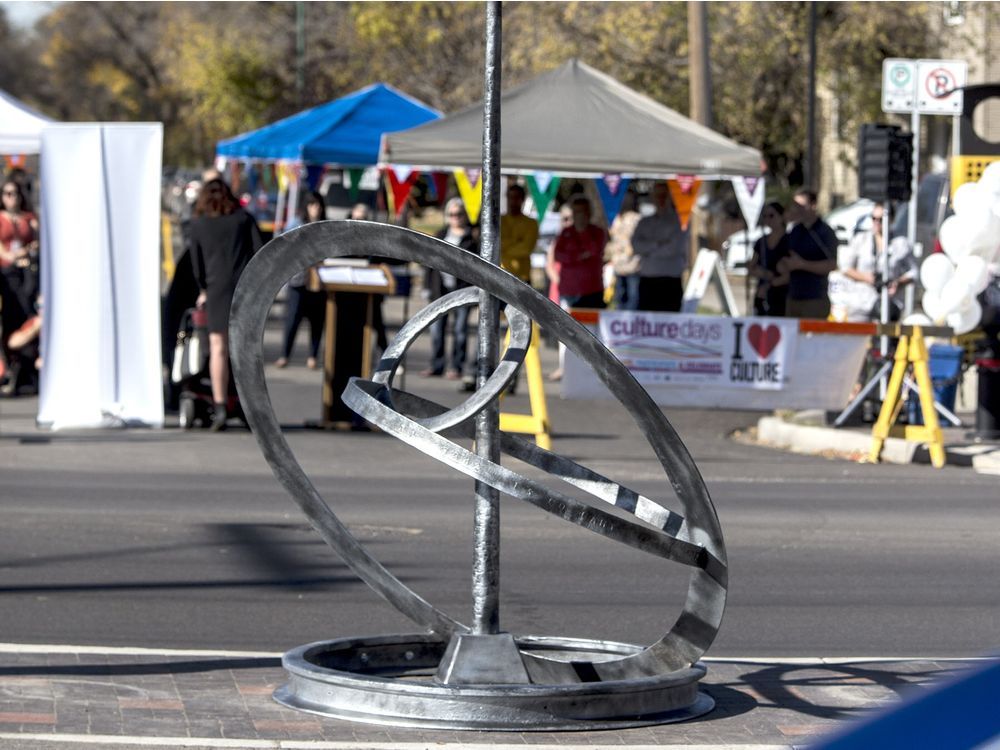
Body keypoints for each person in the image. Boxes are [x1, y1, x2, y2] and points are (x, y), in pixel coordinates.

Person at [189, 179, 263, 430]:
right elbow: (259, 252)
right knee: (243, 350)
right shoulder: (244, 220)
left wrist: (204, 288)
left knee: (217, 348)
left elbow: (196, 265)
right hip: (245, 290)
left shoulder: (198, 226)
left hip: (216, 290)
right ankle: (245, 405)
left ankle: (220, 406)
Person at [421, 198, 478, 379]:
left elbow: (477, 266)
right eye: (452, 215)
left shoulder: (473, 238)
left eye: (459, 214)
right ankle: (437, 365)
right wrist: (426, 287)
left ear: (465, 216)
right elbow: (429, 264)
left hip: (462, 290)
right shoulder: (440, 235)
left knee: (460, 330)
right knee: (437, 330)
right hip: (440, 289)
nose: (456, 218)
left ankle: (456, 366)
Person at [839, 202, 916, 322]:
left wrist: (898, 282)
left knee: (884, 337)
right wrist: (866, 278)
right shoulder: (861, 239)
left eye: (881, 219)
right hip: (861, 302)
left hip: (888, 304)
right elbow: (845, 268)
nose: (877, 222)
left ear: (891, 220)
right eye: (874, 218)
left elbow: (913, 272)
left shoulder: (901, 243)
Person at [275, 191, 326, 370]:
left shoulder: (325, 227)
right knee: (292, 320)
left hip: (320, 282)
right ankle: (285, 354)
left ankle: (313, 355)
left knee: (317, 321)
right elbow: (283, 246)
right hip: (298, 280)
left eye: (319, 206)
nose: (316, 209)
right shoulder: (296, 224)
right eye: (313, 205)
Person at [778, 189, 838, 319]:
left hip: (814, 298)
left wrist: (802, 265)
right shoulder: (795, 230)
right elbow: (786, 258)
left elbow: (832, 264)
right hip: (793, 297)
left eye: (802, 206)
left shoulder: (824, 232)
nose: (798, 210)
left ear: (813, 205)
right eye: (796, 206)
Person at [631, 181, 688, 312]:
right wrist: (658, 243)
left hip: (670, 282)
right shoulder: (644, 222)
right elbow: (636, 246)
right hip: (648, 281)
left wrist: (648, 250)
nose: (661, 199)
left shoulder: (679, 221)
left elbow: (673, 248)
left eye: (664, 195)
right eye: (658, 195)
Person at [552, 195, 606, 310]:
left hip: (592, 290)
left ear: (589, 212)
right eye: (576, 211)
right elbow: (558, 255)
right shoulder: (565, 232)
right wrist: (579, 256)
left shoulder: (597, 232)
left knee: (591, 327)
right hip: (569, 291)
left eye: (582, 211)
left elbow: (595, 250)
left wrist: (583, 231)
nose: (579, 215)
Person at [746, 201, 791, 317]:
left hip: (782, 295)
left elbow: (789, 273)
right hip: (762, 295)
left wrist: (770, 281)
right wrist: (764, 274)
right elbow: (751, 267)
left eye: (771, 215)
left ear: (781, 216)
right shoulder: (761, 242)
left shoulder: (790, 241)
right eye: (765, 216)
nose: (768, 220)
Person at [604, 192, 642, 310]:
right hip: (617, 266)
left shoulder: (635, 218)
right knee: (618, 298)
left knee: (633, 299)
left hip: (632, 266)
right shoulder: (614, 218)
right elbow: (612, 239)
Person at [499, 183, 538, 284]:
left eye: (516, 198)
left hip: (522, 279)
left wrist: (505, 248)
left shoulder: (531, 223)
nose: (513, 201)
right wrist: (516, 241)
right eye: (510, 197)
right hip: (500, 276)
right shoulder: (499, 221)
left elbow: (526, 248)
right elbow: (497, 245)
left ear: (522, 200)